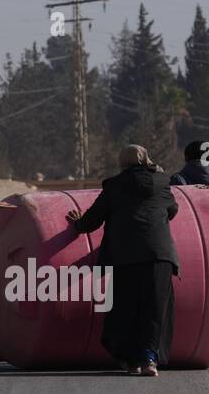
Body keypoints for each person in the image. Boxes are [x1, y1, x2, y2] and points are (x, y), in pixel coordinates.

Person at [67, 145, 178, 376]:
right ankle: (150, 359)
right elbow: (172, 209)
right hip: (159, 255)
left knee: (124, 309)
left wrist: (77, 223)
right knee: (155, 308)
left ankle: (130, 360)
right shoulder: (162, 182)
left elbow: (91, 221)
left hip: (125, 257)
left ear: (123, 163)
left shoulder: (114, 186)